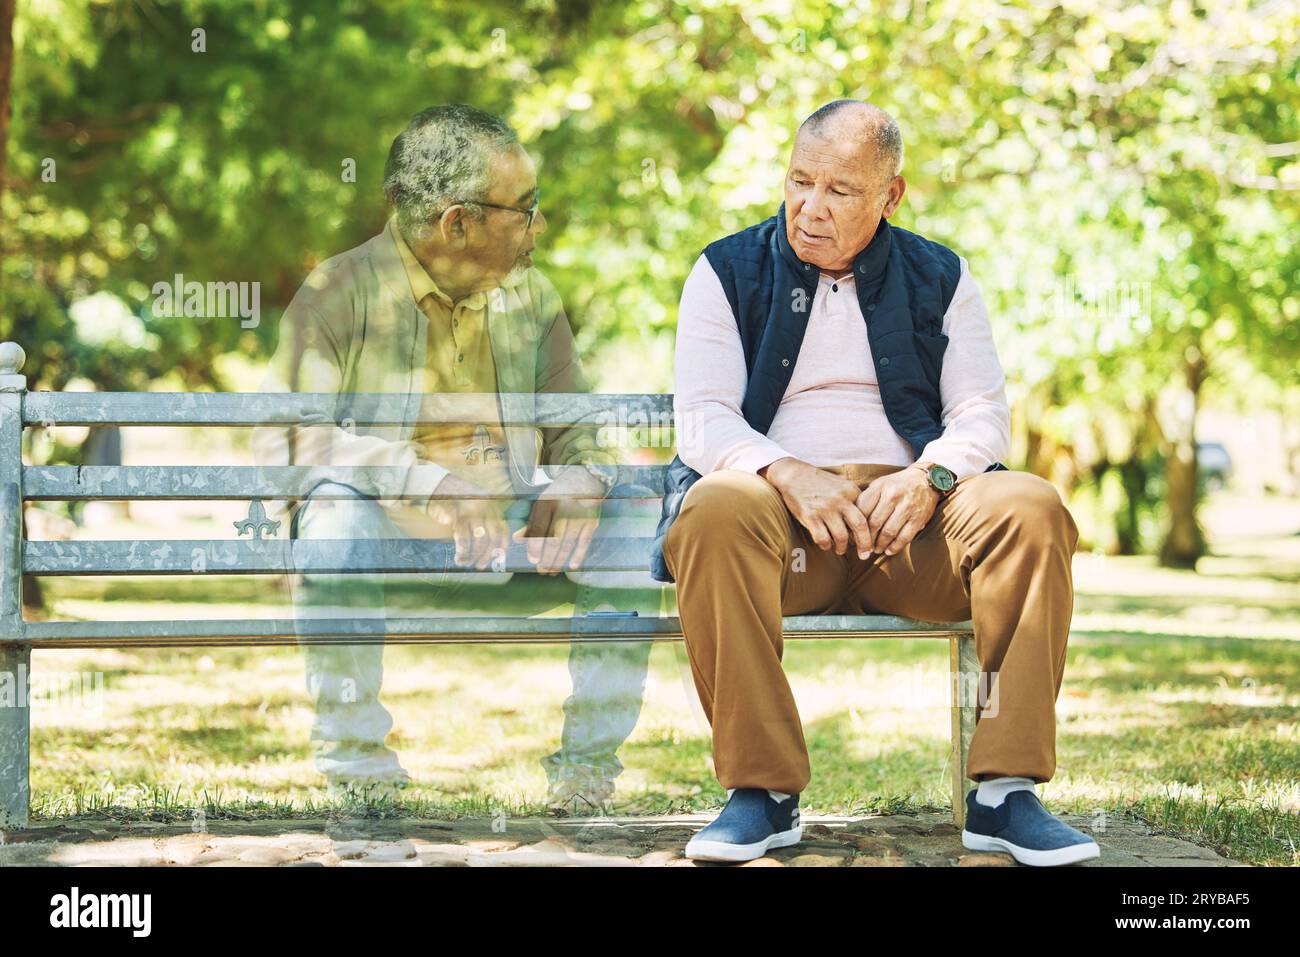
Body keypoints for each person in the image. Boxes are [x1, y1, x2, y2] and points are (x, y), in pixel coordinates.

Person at [655, 100, 1100, 866]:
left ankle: (1005, 793)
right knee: (714, 506)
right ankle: (761, 793)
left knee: (1030, 504)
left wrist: (929, 477)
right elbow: (702, 420)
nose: (810, 207)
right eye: (799, 181)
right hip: (782, 534)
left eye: (840, 190)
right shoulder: (724, 269)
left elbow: (982, 415)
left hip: (914, 534)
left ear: (891, 195)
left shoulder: (942, 274)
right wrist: (789, 473)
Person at [253, 105, 659, 813]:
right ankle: (362, 777)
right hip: (388, 545)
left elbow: (579, 426)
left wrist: (582, 477)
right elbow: (290, 439)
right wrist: (429, 481)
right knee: (331, 515)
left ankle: (586, 774)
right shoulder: (337, 296)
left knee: (631, 513)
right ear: (458, 222)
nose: (539, 227)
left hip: (517, 545)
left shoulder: (532, 299)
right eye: (525, 210)